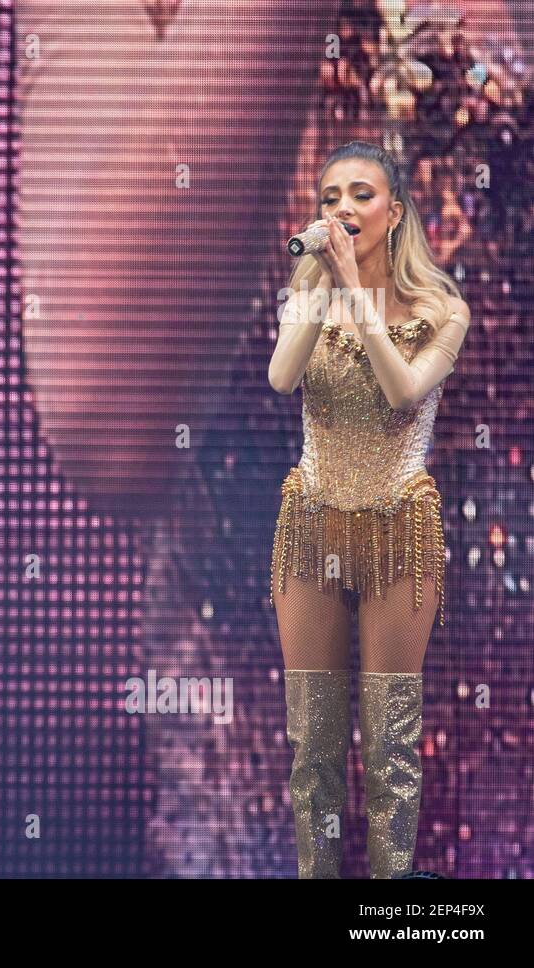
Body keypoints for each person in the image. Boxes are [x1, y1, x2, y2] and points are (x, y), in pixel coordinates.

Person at [267, 141, 470, 878]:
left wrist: (358, 297)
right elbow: (282, 378)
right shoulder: (310, 294)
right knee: (312, 742)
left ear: (395, 210)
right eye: (329, 197)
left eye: (360, 194)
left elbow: (403, 393)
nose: (342, 209)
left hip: (398, 527)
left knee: (389, 745)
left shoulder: (442, 309)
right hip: (312, 519)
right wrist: (321, 296)